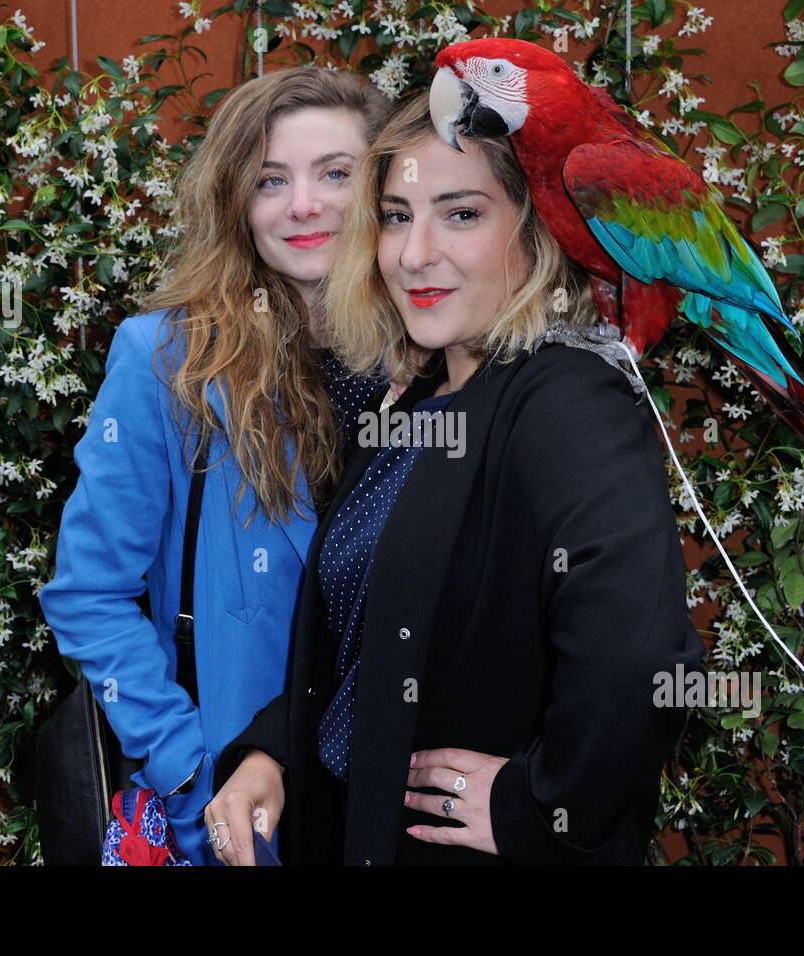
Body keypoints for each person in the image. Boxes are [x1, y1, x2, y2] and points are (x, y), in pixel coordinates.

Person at [206, 91, 708, 865]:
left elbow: (643, 659)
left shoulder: (566, 398)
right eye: (397, 216)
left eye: (461, 214)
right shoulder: (415, 399)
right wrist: (272, 754)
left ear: (535, 230)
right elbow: (369, 639)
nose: (414, 254)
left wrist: (539, 808)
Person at [38, 66, 390, 865]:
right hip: (237, 812)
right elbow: (87, 593)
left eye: (337, 173)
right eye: (271, 180)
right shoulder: (169, 359)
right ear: (237, 203)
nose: (305, 205)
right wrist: (187, 764)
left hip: (387, 800)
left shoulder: (436, 364)